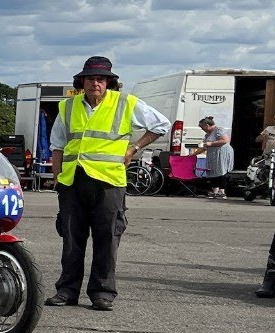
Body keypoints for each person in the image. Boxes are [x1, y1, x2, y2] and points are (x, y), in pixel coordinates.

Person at [45, 56, 169, 312]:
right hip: (73, 181)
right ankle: (67, 290)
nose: (95, 83)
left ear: (109, 82)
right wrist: (57, 178)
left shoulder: (125, 103)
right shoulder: (68, 107)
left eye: (101, 79)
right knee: (71, 239)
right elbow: (57, 145)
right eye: (90, 78)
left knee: (107, 238)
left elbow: (161, 124)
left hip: (109, 182)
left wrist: (135, 147)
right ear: (82, 82)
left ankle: (102, 293)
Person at [190, 116, 233, 199]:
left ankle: (222, 192)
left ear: (207, 125)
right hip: (213, 155)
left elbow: (225, 140)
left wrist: (211, 144)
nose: (202, 129)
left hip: (222, 154)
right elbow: (204, 147)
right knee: (212, 171)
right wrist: (193, 154)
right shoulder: (207, 135)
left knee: (221, 170)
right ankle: (215, 191)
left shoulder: (219, 130)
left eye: (202, 127)